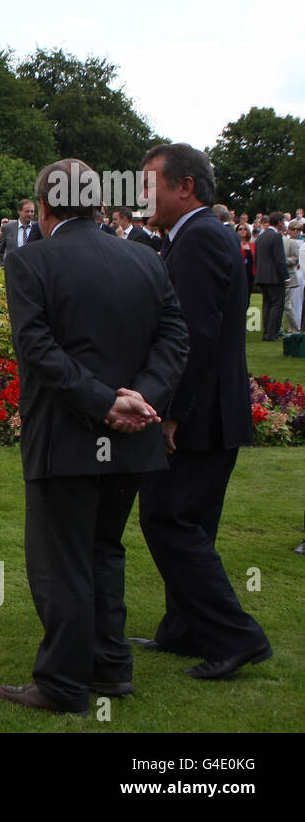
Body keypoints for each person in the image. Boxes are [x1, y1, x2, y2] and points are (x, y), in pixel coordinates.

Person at [0, 159, 188, 715]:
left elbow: (37, 350)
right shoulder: (144, 257)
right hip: (130, 437)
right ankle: (110, 667)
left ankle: (62, 682)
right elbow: (176, 338)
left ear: (46, 208)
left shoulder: (30, 260)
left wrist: (111, 403)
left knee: (61, 561)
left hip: (67, 435)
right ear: (98, 204)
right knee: (104, 550)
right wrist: (140, 398)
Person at [131, 143, 273, 681]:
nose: (143, 195)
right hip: (211, 411)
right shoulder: (198, 236)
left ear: (184, 186)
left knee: (168, 519)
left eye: (151, 184)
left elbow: (193, 338)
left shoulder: (200, 239)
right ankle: (185, 629)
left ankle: (238, 636)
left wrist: (172, 414)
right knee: (189, 522)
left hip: (201, 415)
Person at [254, 212, 289, 342]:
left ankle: (267, 332)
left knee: (267, 304)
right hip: (274, 277)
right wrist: (286, 277)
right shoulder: (276, 237)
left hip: (262, 276)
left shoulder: (261, 237)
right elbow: (279, 260)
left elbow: (257, 258)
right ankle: (272, 333)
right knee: (277, 305)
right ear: (279, 222)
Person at [0, 198, 42, 267]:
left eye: (32, 211)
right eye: (27, 211)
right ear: (19, 211)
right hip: (12, 268)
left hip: (32, 269)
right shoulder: (8, 228)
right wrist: (2, 267)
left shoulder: (38, 228)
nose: (30, 214)